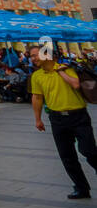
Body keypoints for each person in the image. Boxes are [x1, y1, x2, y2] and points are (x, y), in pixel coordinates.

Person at [28, 43, 97, 199]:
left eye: (35, 55)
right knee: (67, 156)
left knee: (89, 150)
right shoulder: (37, 76)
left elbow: (75, 84)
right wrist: (37, 119)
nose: (32, 59)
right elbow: (37, 97)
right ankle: (81, 188)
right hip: (57, 118)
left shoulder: (65, 67)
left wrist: (60, 72)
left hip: (78, 115)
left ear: (46, 54)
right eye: (31, 56)